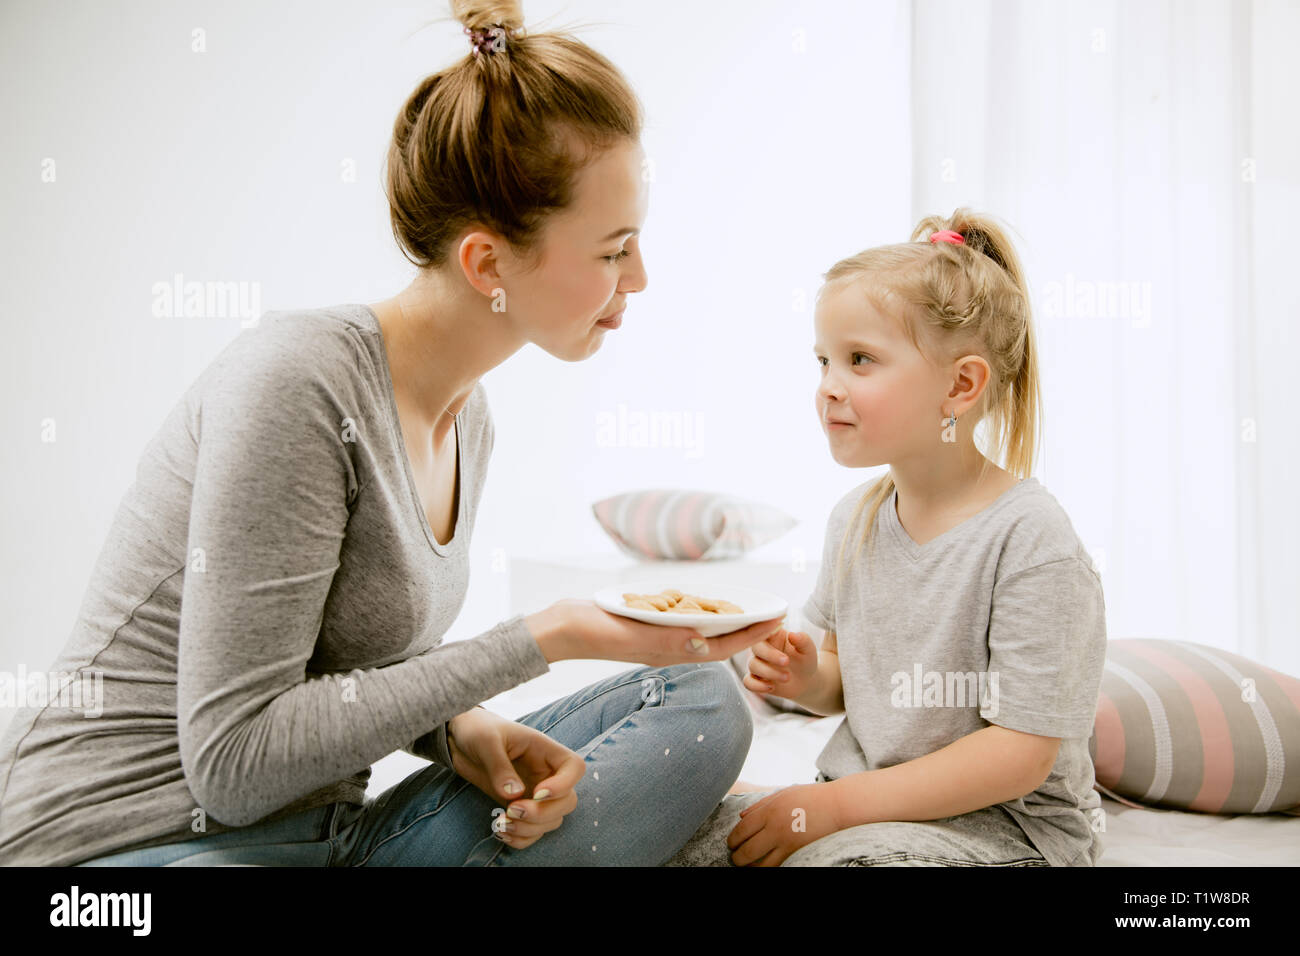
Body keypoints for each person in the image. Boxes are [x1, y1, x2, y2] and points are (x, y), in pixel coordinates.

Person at [0, 0, 785, 867]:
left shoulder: (467, 415)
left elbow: (350, 672)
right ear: (487, 263)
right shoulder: (296, 385)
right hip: (126, 853)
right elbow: (231, 765)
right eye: (611, 250)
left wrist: (455, 730)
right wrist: (544, 637)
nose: (639, 277)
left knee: (700, 702)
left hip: (326, 842)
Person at [666, 209, 1109, 867]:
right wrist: (806, 676)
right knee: (675, 834)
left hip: (1000, 831)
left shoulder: (1033, 541)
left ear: (960, 386)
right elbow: (849, 686)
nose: (827, 388)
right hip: (862, 801)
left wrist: (836, 809)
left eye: (860, 361)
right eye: (823, 361)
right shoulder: (856, 518)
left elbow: (1019, 754)